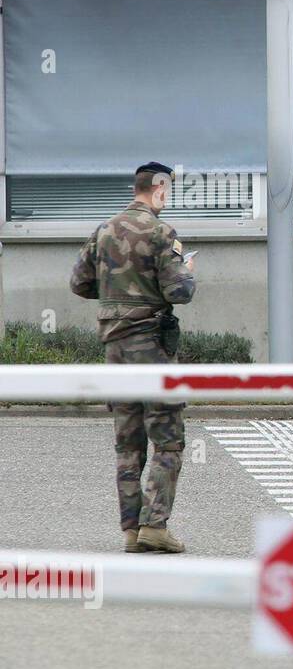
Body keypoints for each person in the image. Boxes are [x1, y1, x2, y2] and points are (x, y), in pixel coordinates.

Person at [69, 162, 196, 554]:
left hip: (115, 350)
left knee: (127, 443)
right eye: (168, 190)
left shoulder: (104, 229)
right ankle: (154, 525)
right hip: (151, 347)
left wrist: (117, 296)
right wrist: (188, 271)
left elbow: (79, 283)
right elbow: (179, 293)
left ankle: (130, 530)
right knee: (167, 439)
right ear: (158, 188)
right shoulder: (161, 233)